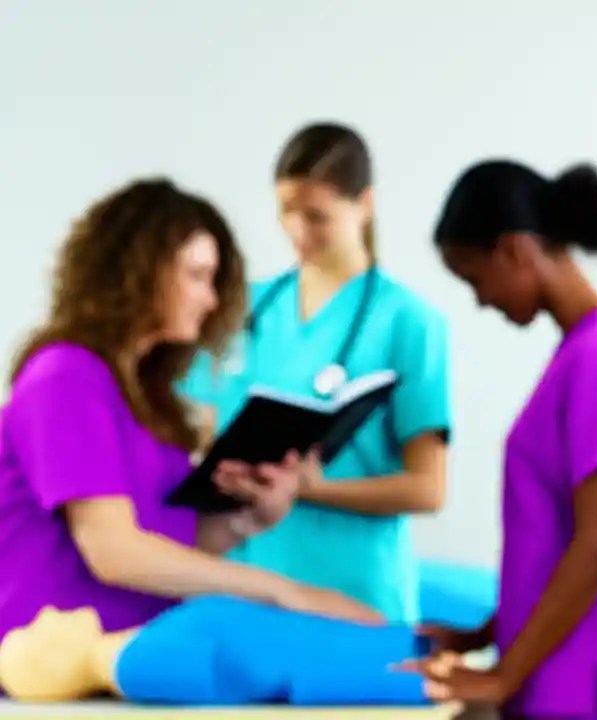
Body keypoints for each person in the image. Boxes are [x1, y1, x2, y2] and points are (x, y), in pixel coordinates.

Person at [0, 178, 381, 653]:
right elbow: (114, 552)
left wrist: (249, 519)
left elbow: (173, 546)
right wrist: (289, 593)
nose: (212, 300)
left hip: (136, 658)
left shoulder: (149, 397)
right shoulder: (65, 376)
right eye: (197, 276)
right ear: (140, 273)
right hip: (53, 671)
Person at [414, 159, 597, 719]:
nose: (481, 300)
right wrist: (484, 634)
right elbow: (555, 540)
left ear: (513, 250)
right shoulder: (579, 354)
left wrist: (503, 675)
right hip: (570, 665)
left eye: (474, 279)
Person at [179, 121, 454, 624]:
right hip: (245, 582)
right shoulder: (243, 308)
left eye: (317, 216)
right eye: (287, 212)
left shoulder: (410, 322)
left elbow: (427, 488)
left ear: (365, 204)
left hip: (356, 594)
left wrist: (310, 488)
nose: (298, 231)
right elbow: (194, 428)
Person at [0, 598, 452, 710]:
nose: (44, 613)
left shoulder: (141, 643)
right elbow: (260, 676)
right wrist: (418, 683)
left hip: (365, 644)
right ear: (49, 662)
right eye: (30, 631)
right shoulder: (136, 664)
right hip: (360, 664)